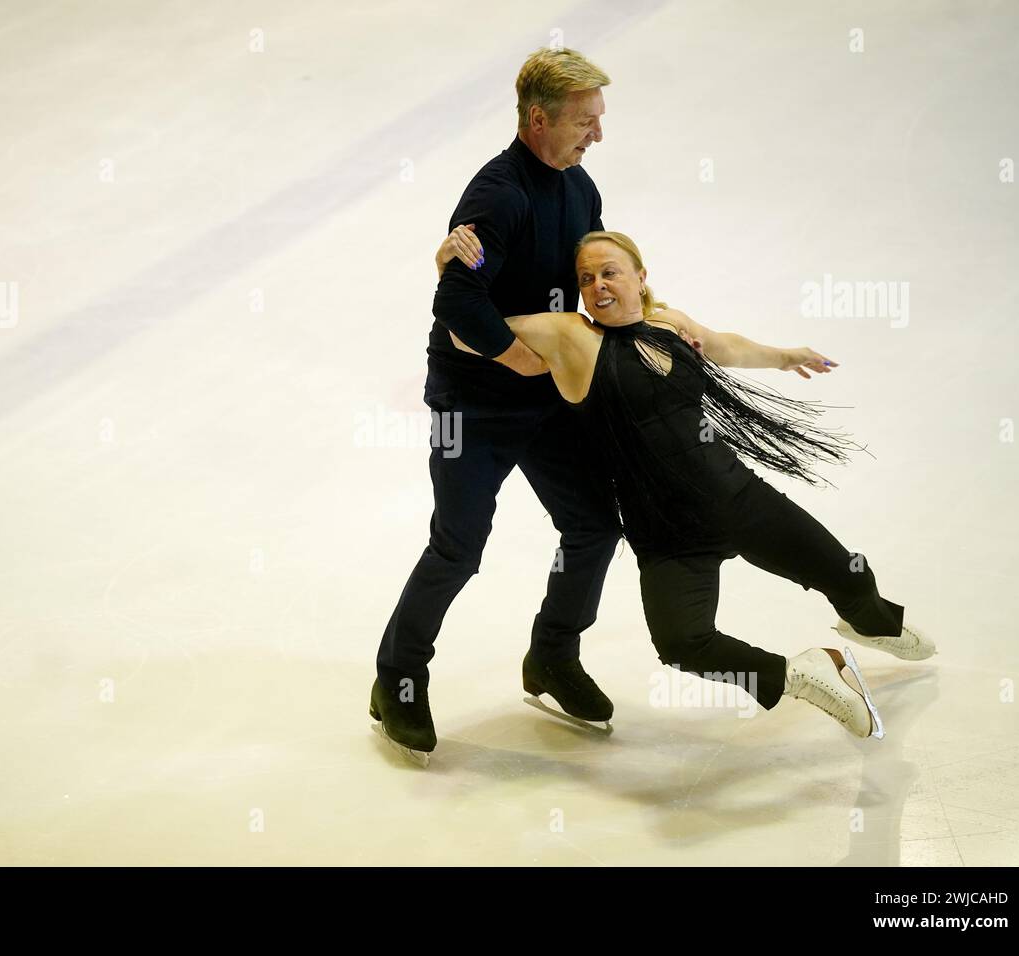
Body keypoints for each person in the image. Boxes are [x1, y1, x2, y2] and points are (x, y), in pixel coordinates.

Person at [436, 228, 935, 738]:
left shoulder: (668, 324)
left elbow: (724, 346)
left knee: (850, 578)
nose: (598, 286)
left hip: (736, 497)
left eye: (610, 272)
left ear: (640, 277)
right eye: (587, 279)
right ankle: (802, 674)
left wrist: (787, 356)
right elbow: (464, 331)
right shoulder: (571, 338)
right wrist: (447, 267)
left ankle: (873, 622)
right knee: (682, 643)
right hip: (666, 533)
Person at [372, 48, 622, 762]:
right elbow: (456, 304)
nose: (596, 135)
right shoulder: (496, 195)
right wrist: (520, 357)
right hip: (470, 404)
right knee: (458, 544)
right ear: (538, 119)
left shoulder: (580, 189)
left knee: (595, 523)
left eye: (599, 120)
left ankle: (552, 657)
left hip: (540, 400)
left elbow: (589, 282)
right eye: (584, 121)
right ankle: (399, 678)